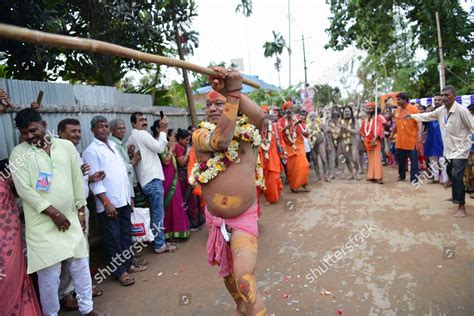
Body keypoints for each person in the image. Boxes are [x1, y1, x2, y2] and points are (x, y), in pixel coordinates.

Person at [10, 109, 105, 316]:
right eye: (24, 133)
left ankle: (87, 308)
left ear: (43, 124)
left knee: (80, 266)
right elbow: (24, 190)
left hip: (70, 218)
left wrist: (80, 210)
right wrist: (53, 213)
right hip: (42, 224)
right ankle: (51, 314)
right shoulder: (19, 153)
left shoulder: (66, 146)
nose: (29, 136)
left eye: (33, 130)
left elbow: (76, 178)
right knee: (49, 276)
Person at [190, 67, 267, 315]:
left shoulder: (249, 135)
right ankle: (240, 306)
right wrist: (229, 96)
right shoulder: (200, 135)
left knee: (245, 279)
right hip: (217, 220)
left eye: (218, 103)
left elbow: (260, 117)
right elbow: (221, 142)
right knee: (229, 277)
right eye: (209, 105)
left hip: (243, 218)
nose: (212, 108)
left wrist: (233, 91)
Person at [83, 116, 146, 287]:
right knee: (113, 238)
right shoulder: (91, 151)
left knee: (126, 235)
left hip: (123, 200)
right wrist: (106, 202)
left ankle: (128, 264)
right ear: (92, 130)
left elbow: (123, 174)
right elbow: (96, 180)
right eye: (99, 127)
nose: (104, 129)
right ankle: (120, 272)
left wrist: (129, 196)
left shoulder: (112, 146)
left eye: (105, 126)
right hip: (108, 204)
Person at [57, 118, 105, 310]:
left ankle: (82, 289)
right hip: (66, 211)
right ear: (60, 133)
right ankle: (67, 293)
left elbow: (78, 181)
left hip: (82, 206)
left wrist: (90, 178)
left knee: (82, 250)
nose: (77, 134)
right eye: (72, 131)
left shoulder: (75, 152)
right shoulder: (56, 153)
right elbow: (59, 182)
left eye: (78, 131)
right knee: (67, 254)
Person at [405, 86, 473, 218]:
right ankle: (455, 195)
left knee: (457, 176)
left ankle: (461, 205)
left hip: (461, 150)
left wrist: (469, 143)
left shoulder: (462, 111)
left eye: (447, 95)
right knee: (449, 172)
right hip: (448, 150)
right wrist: (411, 116)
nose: (443, 98)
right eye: (442, 95)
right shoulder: (441, 111)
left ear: (454, 96)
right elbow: (427, 116)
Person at [126, 112, 177, 253]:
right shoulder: (141, 134)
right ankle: (159, 244)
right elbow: (160, 148)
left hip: (144, 181)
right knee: (157, 214)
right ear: (133, 123)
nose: (144, 122)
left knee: (155, 214)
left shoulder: (131, 138)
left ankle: (156, 241)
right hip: (152, 179)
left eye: (145, 119)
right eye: (140, 120)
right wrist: (163, 130)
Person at [0, 159, 42, 316]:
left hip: (13, 239)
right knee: (7, 278)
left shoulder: (13, 188)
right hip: (5, 242)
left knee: (17, 275)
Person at [151, 121, 190, 239]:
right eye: (172, 134)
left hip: (173, 176)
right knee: (170, 204)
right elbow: (166, 161)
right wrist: (171, 149)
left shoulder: (165, 144)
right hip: (166, 178)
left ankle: (176, 231)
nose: (174, 137)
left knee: (177, 203)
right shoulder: (160, 144)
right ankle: (168, 233)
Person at [277, 101, 310, 192]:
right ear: (284, 111)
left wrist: (305, 133)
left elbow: (304, 131)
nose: (289, 110)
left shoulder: (297, 118)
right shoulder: (281, 121)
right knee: (292, 168)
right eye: (287, 109)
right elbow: (279, 133)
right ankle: (294, 186)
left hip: (299, 144)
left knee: (304, 165)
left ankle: (304, 184)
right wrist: (285, 128)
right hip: (288, 145)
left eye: (291, 109)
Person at [175, 128, 204, 228]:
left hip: (188, 174)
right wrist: (188, 153)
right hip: (183, 177)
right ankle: (189, 223)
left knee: (192, 200)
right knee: (186, 200)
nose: (188, 142)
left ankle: (195, 221)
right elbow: (182, 162)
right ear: (179, 139)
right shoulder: (178, 147)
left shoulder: (184, 146)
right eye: (186, 140)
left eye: (189, 140)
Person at [110, 118, 141, 201]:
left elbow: (125, 161)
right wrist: (134, 160)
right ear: (111, 130)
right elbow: (121, 168)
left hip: (129, 186)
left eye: (124, 128)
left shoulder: (122, 144)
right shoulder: (113, 146)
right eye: (119, 128)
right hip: (123, 188)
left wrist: (129, 154)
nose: (122, 130)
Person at [394, 93, 421, 182]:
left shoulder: (413, 109)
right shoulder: (397, 110)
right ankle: (401, 176)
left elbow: (419, 122)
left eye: (399, 100)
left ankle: (414, 178)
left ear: (405, 100)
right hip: (400, 140)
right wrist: (392, 134)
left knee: (413, 160)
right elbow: (396, 124)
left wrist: (420, 134)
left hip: (411, 140)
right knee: (401, 160)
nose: (397, 101)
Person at [260, 105, 284, 204]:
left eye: (265, 113)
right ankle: (270, 198)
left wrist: (283, 151)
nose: (263, 115)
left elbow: (281, 140)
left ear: (268, 114)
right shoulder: (256, 127)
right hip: (262, 155)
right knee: (265, 178)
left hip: (273, 154)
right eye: (261, 113)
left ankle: (276, 194)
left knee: (275, 177)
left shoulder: (274, 126)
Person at [423, 94, 447, 183]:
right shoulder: (430, 113)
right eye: (435, 100)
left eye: (439, 100)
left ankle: (445, 179)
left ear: (443, 100)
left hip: (442, 140)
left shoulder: (446, 111)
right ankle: (436, 178)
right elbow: (423, 123)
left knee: (442, 160)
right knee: (433, 160)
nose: (437, 101)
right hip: (432, 139)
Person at [360, 102, 384, 184]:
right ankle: (371, 176)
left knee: (377, 159)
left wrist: (375, 137)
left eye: (370, 109)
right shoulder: (365, 120)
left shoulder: (378, 119)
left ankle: (378, 177)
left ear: (374, 110)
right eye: (367, 109)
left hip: (375, 142)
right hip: (367, 142)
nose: (368, 110)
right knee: (370, 159)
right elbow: (362, 131)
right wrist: (363, 137)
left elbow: (379, 128)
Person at [307, 111, 329, 181]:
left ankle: (326, 175)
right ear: (308, 118)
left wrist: (328, 144)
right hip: (312, 145)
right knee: (315, 160)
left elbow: (326, 135)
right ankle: (318, 176)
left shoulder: (321, 125)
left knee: (323, 159)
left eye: (314, 116)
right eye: (311, 116)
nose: (312, 118)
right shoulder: (307, 126)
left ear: (317, 117)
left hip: (320, 143)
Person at [339, 105, 360, 180]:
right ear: (343, 113)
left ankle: (357, 173)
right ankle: (351, 173)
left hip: (353, 141)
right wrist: (340, 130)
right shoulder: (340, 121)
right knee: (347, 159)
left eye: (348, 111)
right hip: (344, 142)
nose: (347, 113)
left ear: (351, 112)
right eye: (345, 111)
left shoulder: (355, 121)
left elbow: (357, 131)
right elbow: (338, 134)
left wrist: (348, 129)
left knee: (354, 159)